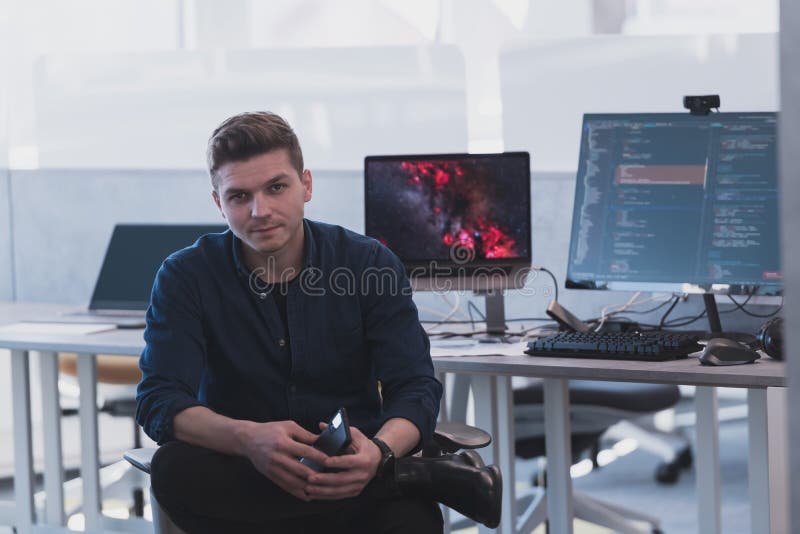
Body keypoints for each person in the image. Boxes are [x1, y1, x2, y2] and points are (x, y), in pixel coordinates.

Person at [135, 111, 501, 533]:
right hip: (247, 474)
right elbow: (160, 400)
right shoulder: (186, 276)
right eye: (239, 196)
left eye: (277, 187)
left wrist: (379, 453)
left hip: (353, 467)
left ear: (305, 185)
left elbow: (415, 388)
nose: (261, 210)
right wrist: (248, 439)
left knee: (414, 523)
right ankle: (412, 479)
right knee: (174, 469)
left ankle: (385, 478)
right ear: (219, 203)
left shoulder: (368, 263)